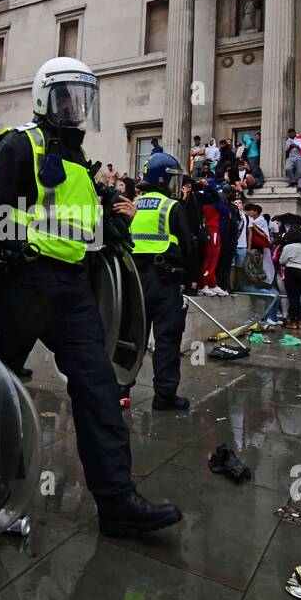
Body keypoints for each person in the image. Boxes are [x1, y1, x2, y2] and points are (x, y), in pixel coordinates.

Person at [0, 56, 181, 537]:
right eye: (68, 96)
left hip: (71, 291)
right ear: (45, 98)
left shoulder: (79, 164)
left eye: (84, 98)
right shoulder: (19, 145)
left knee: (100, 390)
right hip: (19, 286)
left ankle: (117, 502)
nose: (77, 107)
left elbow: (83, 232)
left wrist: (114, 223)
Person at [128, 152, 198, 410]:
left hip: (135, 281)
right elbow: (189, 247)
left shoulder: (132, 203)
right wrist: (192, 278)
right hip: (165, 281)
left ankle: (121, 389)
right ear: (161, 179)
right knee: (167, 339)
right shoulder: (171, 206)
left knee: (132, 338)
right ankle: (164, 396)